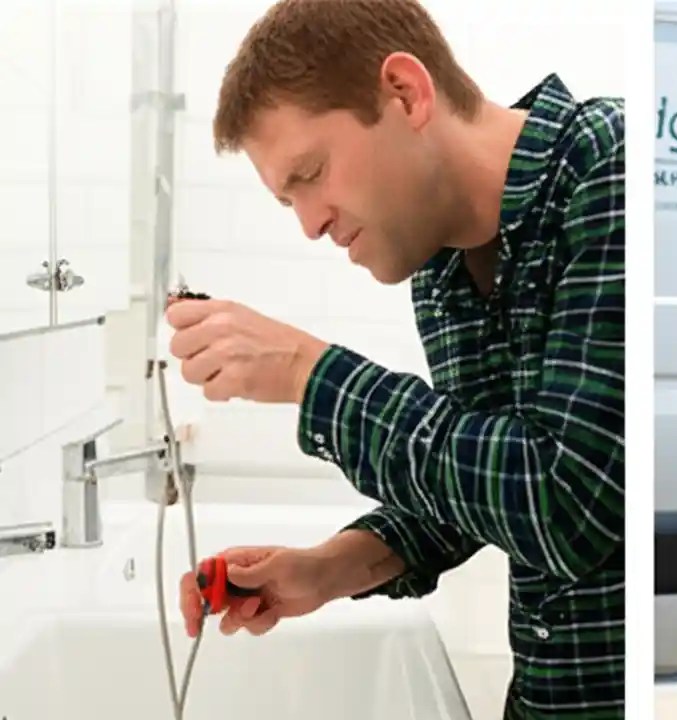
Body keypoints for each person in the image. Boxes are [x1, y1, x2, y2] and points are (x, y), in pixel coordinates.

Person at [163, 1, 624, 717]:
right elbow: (485, 491)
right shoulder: (438, 270)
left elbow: (569, 502)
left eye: (311, 173)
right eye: (290, 201)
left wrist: (306, 374)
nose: (312, 223)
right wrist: (328, 569)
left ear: (405, 93)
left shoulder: (609, 166)